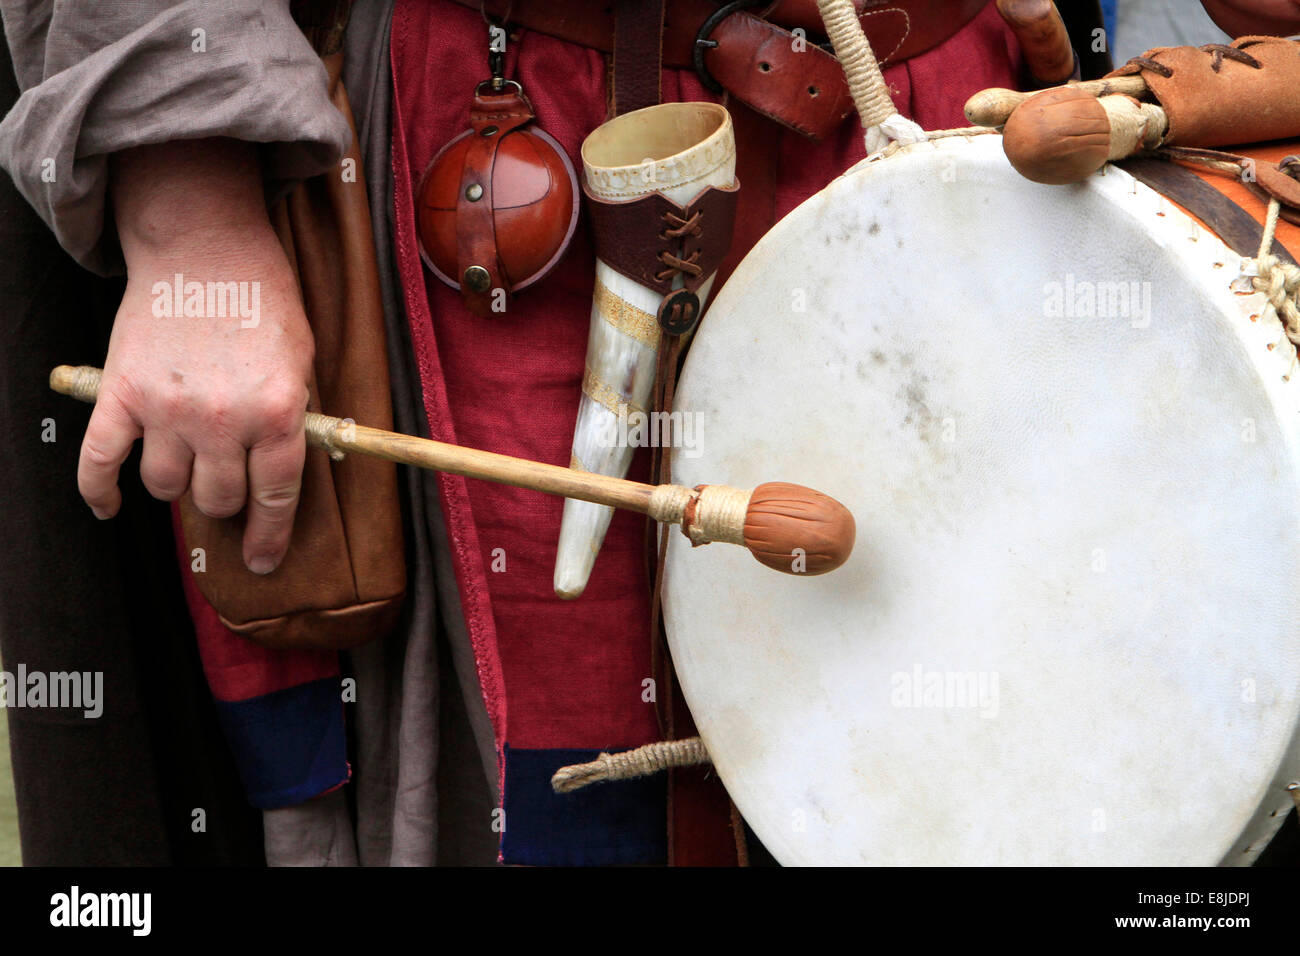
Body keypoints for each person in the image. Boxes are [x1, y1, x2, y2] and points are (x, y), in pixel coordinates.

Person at [0, 0, 1292, 867]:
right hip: (505, 182)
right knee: (559, 805)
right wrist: (190, 216)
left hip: (959, 154)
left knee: (1000, 742)